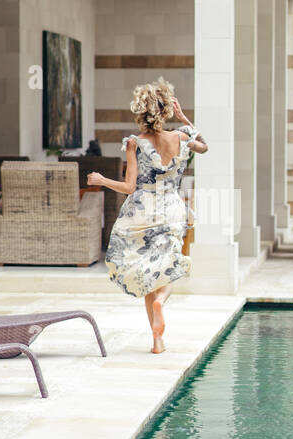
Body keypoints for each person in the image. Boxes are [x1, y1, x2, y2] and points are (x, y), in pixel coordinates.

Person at [88, 78, 208, 354]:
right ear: (165, 111)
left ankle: (156, 341)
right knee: (167, 268)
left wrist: (102, 180)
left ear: (141, 112)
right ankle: (162, 303)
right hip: (171, 210)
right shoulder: (181, 137)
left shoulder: (134, 143)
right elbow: (204, 146)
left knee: (145, 274)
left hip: (142, 212)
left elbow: (129, 187)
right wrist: (183, 117)